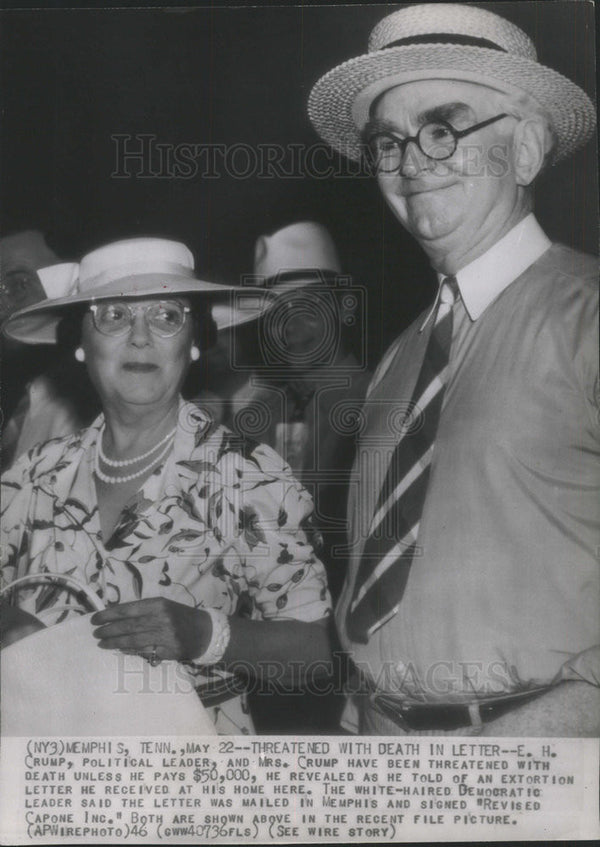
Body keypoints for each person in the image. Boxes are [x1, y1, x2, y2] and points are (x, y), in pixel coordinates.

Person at [308, 3, 599, 735]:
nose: (411, 164)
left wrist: (566, 717)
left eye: (443, 129)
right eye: (388, 142)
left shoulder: (587, 317)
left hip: (543, 764)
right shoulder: (400, 359)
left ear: (525, 150)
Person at [1, 236, 332, 735]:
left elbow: (320, 652)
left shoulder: (246, 475)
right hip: (46, 762)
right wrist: (11, 626)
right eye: (113, 316)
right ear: (80, 342)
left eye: (167, 316)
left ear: (193, 340)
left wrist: (207, 636)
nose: (140, 337)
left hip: (188, 769)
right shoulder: (34, 474)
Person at [0, 231, 94, 468]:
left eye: (19, 285)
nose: (1, 307)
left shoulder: (94, 408)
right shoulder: (21, 396)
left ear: (73, 288)